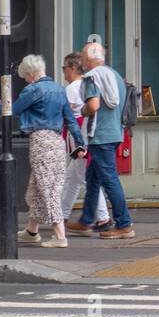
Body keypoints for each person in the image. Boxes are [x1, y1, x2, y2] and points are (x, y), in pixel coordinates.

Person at [8, 54, 81, 248]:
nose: (25, 80)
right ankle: (32, 231)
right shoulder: (59, 89)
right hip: (57, 141)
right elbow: (71, 120)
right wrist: (80, 143)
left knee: (47, 188)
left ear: (31, 74)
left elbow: (12, 110)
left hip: (41, 141)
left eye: (25, 76)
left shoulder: (33, 89)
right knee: (37, 188)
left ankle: (60, 236)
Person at [65, 42, 135, 239]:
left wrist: (83, 110)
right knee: (93, 177)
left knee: (109, 179)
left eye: (83, 57)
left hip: (99, 135)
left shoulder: (91, 77)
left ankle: (124, 224)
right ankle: (86, 220)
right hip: (115, 132)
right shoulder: (115, 76)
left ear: (88, 59)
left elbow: (93, 105)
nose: (82, 61)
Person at [58, 51, 110, 232]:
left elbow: (63, 114)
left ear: (73, 68)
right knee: (74, 177)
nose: (64, 72)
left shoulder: (72, 89)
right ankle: (62, 215)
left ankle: (102, 218)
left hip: (78, 136)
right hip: (87, 133)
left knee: (86, 177)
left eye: (65, 68)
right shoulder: (88, 84)